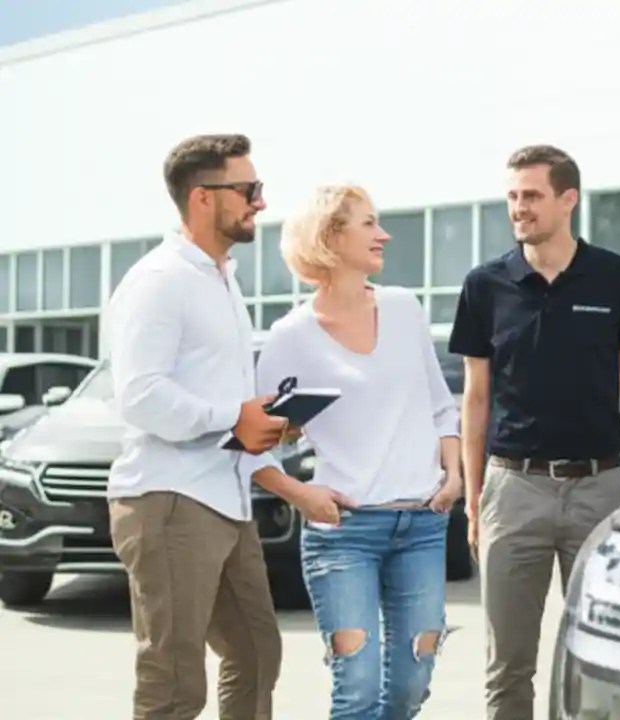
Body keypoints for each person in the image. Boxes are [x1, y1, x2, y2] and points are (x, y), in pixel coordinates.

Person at [449, 144, 620, 720]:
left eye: (532, 196)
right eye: (513, 196)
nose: (519, 208)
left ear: (568, 199)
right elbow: (476, 397)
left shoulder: (614, 277)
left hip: (602, 488)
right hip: (513, 491)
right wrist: (474, 496)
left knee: (606, 661)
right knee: (507, 666)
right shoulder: (484, 285)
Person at [246, 184, 463, 720]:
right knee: (359, 689)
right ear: (329, 236)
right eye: (368, 223)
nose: (383, 234)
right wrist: (301, 495)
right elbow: (249, 448)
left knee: (411, 686)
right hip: (344, 536)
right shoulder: (290, 336)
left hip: (421, 526)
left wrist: (455, 473)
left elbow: (441, 406)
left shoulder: (404, 307)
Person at [106, 133, 287, 719]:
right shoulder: (160, 279)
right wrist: (233, 417)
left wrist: (264, 422)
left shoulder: (222, 279)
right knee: (176, 682)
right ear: (203, 198)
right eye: (249, 189)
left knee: (257, 654)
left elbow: (217, 398)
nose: (260, 201)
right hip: (170, 499)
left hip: (225, 498)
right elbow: (139, 395)